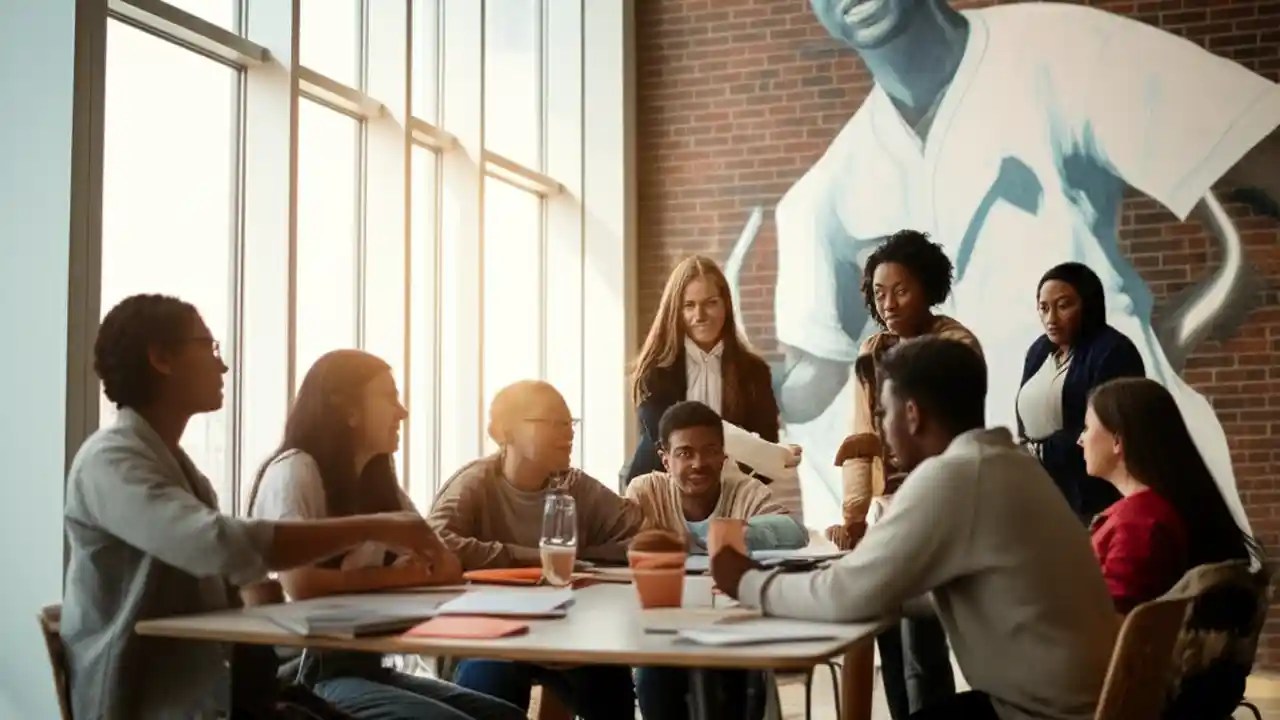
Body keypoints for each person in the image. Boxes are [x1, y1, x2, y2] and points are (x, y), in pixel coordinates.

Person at [762, 0, 1280, 543]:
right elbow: (812, 385)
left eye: (901, 291)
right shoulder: (823, 197)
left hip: (1125, 509)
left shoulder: (1059, 50)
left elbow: (1261, 154)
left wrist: (1178, 327)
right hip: (991, 528)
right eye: (881, 295)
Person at [61, 294, 449, 720]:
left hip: (217, 694)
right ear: (161, 358)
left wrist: (251, 595)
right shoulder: (110, 460)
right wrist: (374, 528)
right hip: (155, 704)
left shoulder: (177, 469)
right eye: (209, 348)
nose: (222, 365)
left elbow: (231, 568)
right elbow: (217, 545)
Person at [712, 337, 1119, 720]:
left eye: (884, 413)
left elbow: (842, 596)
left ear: (912, 414)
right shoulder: (1009, 464)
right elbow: (971, 586)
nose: (883, 432)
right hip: (1088, 705)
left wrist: (744, 579)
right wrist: (881, 585)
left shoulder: (955, 477)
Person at [248, 349, 526, 720]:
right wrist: (401, 575)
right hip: (304, 675)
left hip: (363, 667)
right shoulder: (296, 470)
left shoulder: (378, 484)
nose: (402, 412)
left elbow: (445, 564)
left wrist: (392, 574)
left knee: (507, 717)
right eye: (389, 396)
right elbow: (302, 583)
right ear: (348, 410)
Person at [822, 230, 977, 719]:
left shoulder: (955, 345)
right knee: (887, 634)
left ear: (928, 287)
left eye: (902, 290)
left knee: (922, 645)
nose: (888, 303)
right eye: (879, 293)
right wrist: (854, 515)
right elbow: (860, 436)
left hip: (939, 505)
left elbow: (951, 434)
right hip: (887, 510)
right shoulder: (872, 351)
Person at [428, 380, 641, 718]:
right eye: (552, 422)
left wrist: (580, 559)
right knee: (491, 684)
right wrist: (532, 558)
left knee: (611, 680)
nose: (568, 433)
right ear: (503, 432)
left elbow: (643, 536)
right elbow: (437, 543)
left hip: (565, 630)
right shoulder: (476, 483)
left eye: (570, 424)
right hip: (488, 632)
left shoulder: (574, 485)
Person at [627, 400, 804, 720]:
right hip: (665, 628)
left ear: (724, 456)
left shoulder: (744, 490)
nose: (699, 463)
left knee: (735, 679)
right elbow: (620, 539)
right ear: (664, 458)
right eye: (684, 453)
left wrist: (730, 532)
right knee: (654, 675)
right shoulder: (645, 491)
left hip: (729, 628)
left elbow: (794, 532)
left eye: (710, 451)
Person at [1080, 377, 1261, 614]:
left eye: (1087, 427)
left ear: (1117, 441)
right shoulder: (1155, 512)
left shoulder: (1137, 524)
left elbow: (1111, 620)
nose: (1080, 439)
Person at [626, 255, 797, 485]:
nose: (700, 316)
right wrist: (768, 454)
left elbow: (765, 461)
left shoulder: (755, 372)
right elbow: (674, 435)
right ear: (676, 311)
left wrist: (773, 458)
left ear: (726, 304)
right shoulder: (654, 372)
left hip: (730, 498)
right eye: (689, 305)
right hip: (659, 494)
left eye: (710, 303)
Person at [1017, 262, 1145, 521]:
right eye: (1044, 308)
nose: (1051, 319)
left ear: (1088, 304)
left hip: (1092, 492)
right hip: (1043, 488)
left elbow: (1107, 426)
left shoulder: (1113, 351)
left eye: (1063, 306)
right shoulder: (1039, 351)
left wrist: (1038, 452)